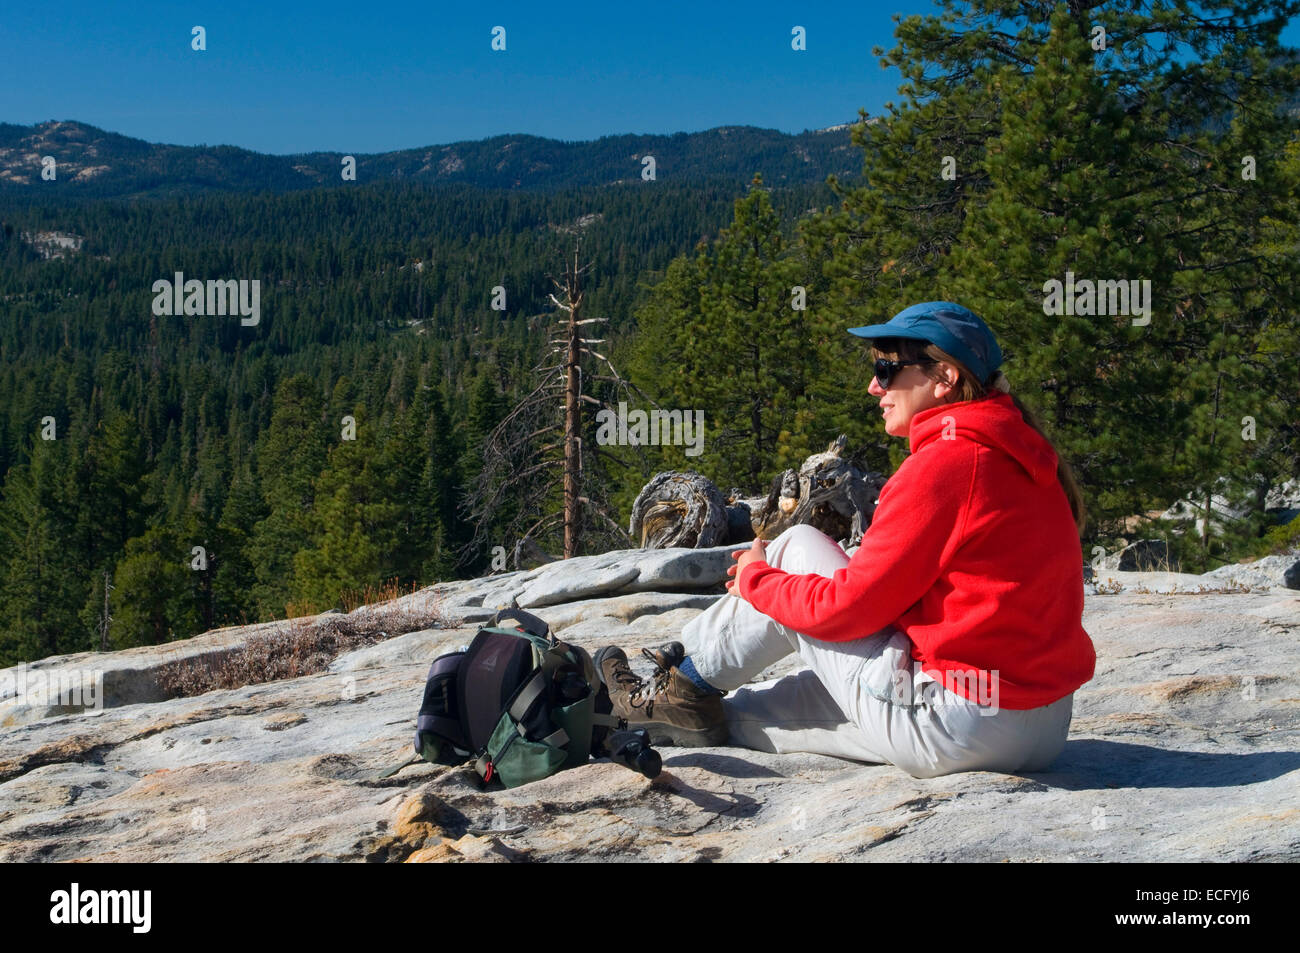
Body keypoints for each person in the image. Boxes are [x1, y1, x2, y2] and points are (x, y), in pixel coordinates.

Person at [595, 301, 1096, 778]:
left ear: (946, 377)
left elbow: (849, 609)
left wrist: (757, 582)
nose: (874, 388)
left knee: (793, 549)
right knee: (740, 715)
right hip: (1040, 726)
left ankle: (674, 687)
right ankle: (679, 708)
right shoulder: (1022, 454)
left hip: (955, 720)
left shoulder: (947, 463)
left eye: (886, 370)